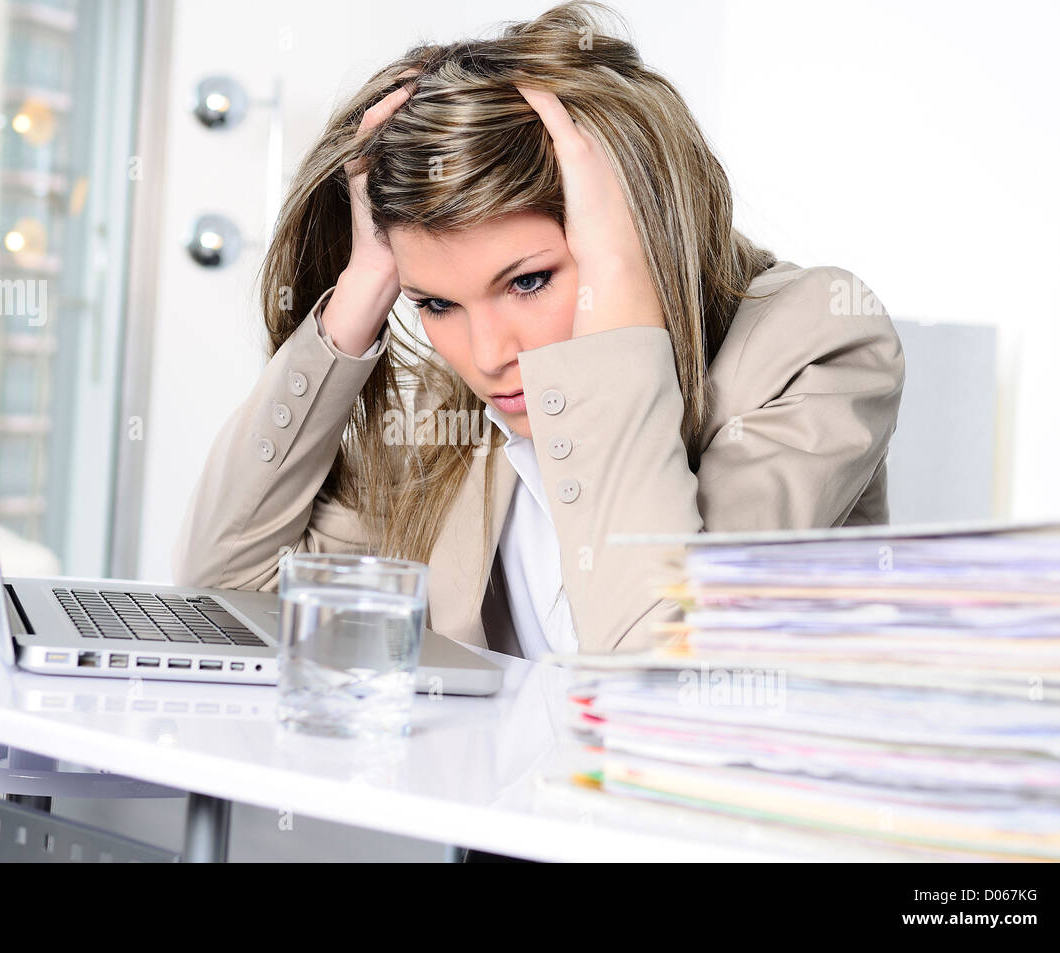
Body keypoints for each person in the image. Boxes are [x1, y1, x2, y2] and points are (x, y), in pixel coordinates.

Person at [170, 1, 906, 662]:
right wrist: (363, 285)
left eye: (529, 281)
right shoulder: (451, 415)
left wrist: (618, 286)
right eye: (436, 304)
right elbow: (227, 585)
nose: (488, 358)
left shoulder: (811, 345)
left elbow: (655, 662)